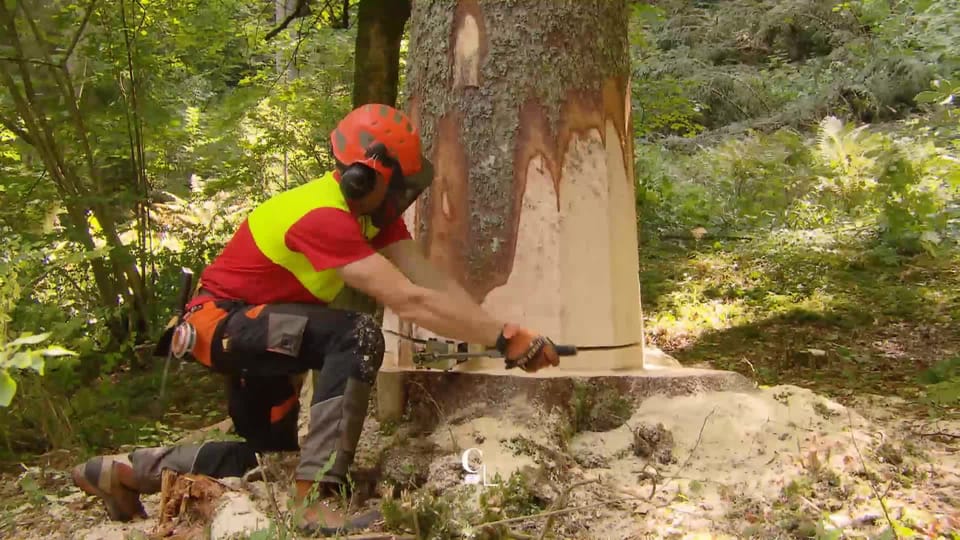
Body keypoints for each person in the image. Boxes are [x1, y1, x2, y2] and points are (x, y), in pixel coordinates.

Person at [70, 104, 560, 535]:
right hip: (224, 326)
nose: (401, 200)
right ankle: (315, 499)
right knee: (358, 334)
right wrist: (501, 340)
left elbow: (428, 280)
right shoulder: (323, 216)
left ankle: (126, 472)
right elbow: (409, 301)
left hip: (257, 337)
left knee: (268, 459)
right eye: (397, 187)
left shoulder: (371, 217)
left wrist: (505, 331)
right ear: (363, 177)